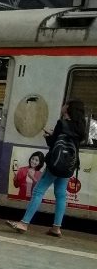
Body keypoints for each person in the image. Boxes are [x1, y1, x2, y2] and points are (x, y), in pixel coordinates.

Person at [7, 99, 87, 237]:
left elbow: (53, 143)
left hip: (55, 164)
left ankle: (24, 223)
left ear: (68, 108)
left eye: (65, 104)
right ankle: (56, 228)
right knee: (61, 194)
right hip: (69, 165)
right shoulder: (80, 127)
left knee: (38, 191)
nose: (62, 106)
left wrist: (47, 136)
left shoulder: (61, 123)